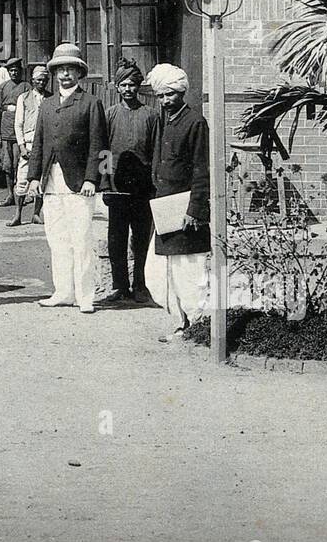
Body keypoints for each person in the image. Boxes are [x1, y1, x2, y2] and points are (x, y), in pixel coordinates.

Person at [26, 42, 108, 314]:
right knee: (57, 240)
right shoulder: (47, 105)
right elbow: (38, 142)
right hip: (51, 182)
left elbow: (100, 145)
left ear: (79, 73)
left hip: (78, 184)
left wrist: (92, 180)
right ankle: (63, 292)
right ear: (54, 73)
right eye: (60, 70)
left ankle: (85, 297)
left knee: (81, 240)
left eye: (70, 70)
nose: (65, 75)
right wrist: (34, 177)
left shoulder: (91, 103)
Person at [142, 64, 210, 331]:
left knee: (188, 272)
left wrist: (195, 209)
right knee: (160, 272)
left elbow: (202, 169)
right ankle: (180, 322)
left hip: (185, 211)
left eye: (170, 95)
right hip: (164, 208)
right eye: (160, 96)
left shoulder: (195, 122)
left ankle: (197, 325)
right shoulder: (163, 121)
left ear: (182, 93)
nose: (165, 101)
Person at [100, 57, 160, 304]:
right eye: (123, 85)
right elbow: (103, 150)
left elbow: (156, 150)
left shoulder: (151, 115)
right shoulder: (110, 114)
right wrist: (104, 182)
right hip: (117, 187)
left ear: (139, 86)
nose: (128, 90)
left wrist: (155, 183)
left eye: (132, 85)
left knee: (141, 237)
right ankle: (119, 286)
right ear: (117, 87)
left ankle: (141, 285)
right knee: (116, 238)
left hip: (143, 187)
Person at [9, 65, 50, 227]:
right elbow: (18, 124)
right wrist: (21, 146)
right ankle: (18, 215)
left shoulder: (51, 98)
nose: (42, 83)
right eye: (38, 80)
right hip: (28, 143)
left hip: (45, 145)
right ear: (33, 81)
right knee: (22, 180)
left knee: (41, 180)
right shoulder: (23, 98)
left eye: (44, 80)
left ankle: (35, 214)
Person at [0, 57, 27, 206]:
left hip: (21, 130)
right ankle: (9, 195)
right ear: (8, 72)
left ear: (20, 72)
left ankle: (21, 195)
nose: (14, 73)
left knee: (18, 164)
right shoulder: (2, 87)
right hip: (6, 130)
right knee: (7, 165)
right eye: (11, 70)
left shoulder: (26, 87)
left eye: (16, 70)